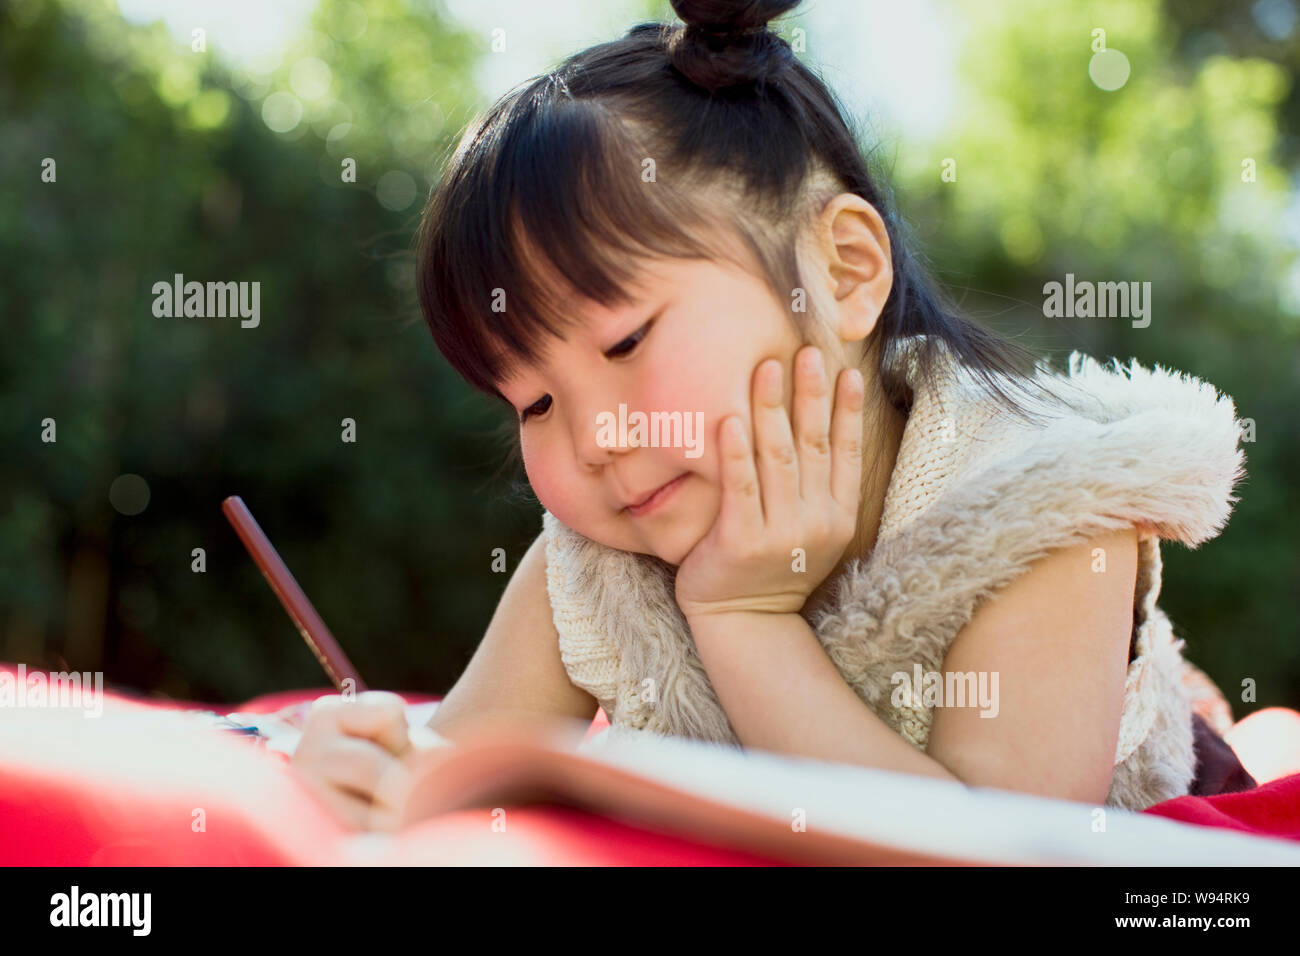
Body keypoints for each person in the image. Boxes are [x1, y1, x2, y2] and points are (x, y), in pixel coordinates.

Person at [291, 0, 1255, 830]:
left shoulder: (1041, 503)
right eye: (532, 403)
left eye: (627, 343)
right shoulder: (598, 558)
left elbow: (994, 852)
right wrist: (375, 767)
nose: (593, 441)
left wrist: (744, 622)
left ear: (842, 271)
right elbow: (459, 769)